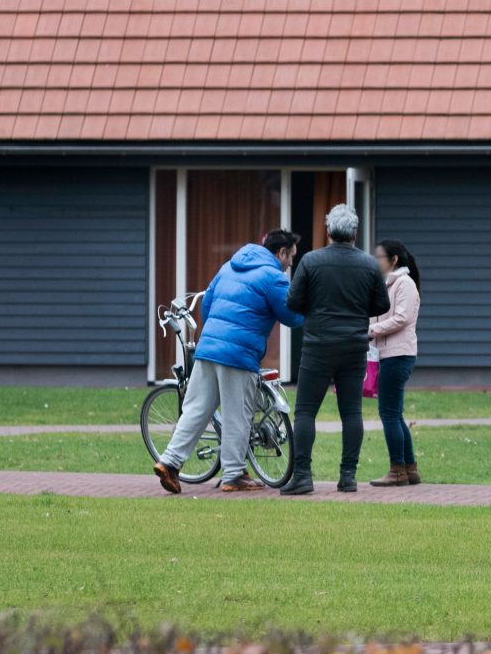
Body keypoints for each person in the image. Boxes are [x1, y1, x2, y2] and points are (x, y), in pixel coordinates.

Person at [154, 230, 302, 496]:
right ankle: (233, 475)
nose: (291, 263)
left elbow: (207, 305)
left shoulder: (228, 267)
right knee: (238, 415)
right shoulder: (272, 277)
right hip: (238, 354)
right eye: (291, 256)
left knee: (196, 409)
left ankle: (169, 462)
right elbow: (291, 316)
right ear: (281, 253)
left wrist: (214, 333)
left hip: (208, 347)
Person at [280, 204, 391, 495]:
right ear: (355, 232)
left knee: (305, 411)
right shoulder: (369, 264)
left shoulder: (311, 261)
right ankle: (348, 476)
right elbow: (382, 305)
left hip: (318, 344)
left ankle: (303, 475)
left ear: (328, 230)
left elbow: (292, 302)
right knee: (351, 412)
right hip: (354, 345)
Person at [367, 238, 424, 486]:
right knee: (395, 414)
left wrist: (371, 330)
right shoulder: (390, 284)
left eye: (379, 257)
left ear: (393, 260)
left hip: (398, 355)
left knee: (388, 413)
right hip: (390, 354)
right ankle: (409, 469)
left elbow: (401, 318)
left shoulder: (405, 284)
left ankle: (397, 470)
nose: (375, 261)